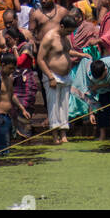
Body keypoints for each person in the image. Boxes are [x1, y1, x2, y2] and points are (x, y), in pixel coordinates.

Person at [37, 13, 80, 144]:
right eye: (68, 31)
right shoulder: (50, 37)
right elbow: (40, 59)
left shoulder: (65, 37)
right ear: (62, 26)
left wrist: (80, 54)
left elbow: (66, 51)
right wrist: (50, 77)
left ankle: (64, 134)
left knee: (64, 106)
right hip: (52, 75)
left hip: (65, 76)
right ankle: (55, 136)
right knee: (53, 105)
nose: (69, 33)